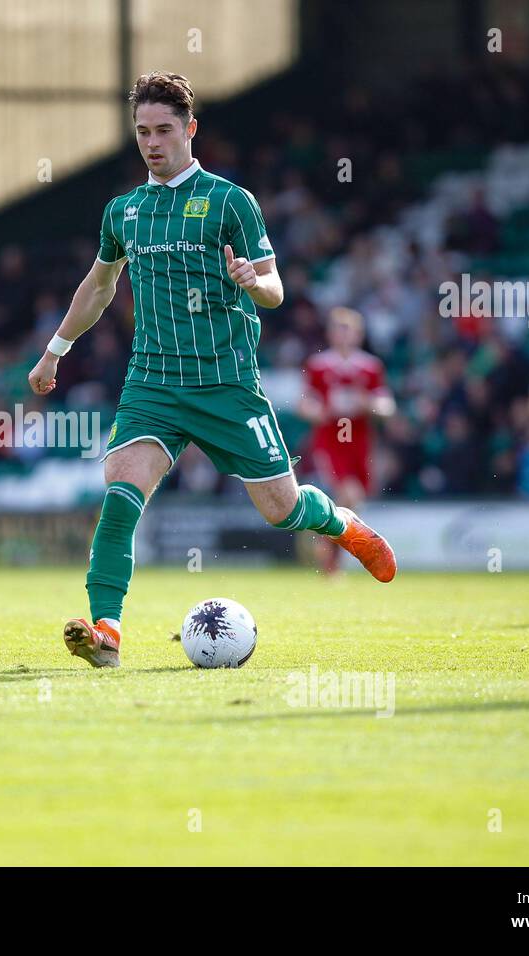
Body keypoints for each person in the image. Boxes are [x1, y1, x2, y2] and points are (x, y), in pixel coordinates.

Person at [27, 73, 397, 669]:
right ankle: (107, 633)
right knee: (120, 495)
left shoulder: (231, 202)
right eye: (142, 131)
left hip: (226, 385)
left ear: (190, 129)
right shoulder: (124, 210)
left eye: (164, 130)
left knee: (281, 510)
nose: (152, 142)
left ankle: (346, 527)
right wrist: (55, 351)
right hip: (153, 383)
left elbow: (275, 289)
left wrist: (255, 281)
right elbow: (99, 287)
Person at [299, 307, 395, 573]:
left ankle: (326, 547)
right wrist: (321, 411)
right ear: (330, 333)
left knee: (355, 499)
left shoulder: (370, 366)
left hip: (359, 440)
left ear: (359, 334)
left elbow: (386, 405)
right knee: (348, 493)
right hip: (331, 439)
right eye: (338, 329)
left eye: (348, 329)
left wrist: (369, 404)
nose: (343, 335)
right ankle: (330, 556)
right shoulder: (319, 365)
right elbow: (305, 404)